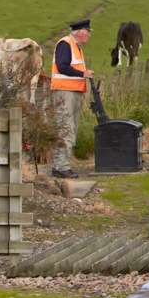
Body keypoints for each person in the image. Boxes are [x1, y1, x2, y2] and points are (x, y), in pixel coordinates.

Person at [49, 18, 93, 179]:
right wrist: (83, 74)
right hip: (64, 92)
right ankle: (61, 167)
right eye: (88, 32)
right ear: (81, 32)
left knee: (70, 128)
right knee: (65, 128)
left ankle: (60, 165)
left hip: (72, 92)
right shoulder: (65, 44)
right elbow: (62, 66)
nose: (89, 35)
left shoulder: (75, 46)